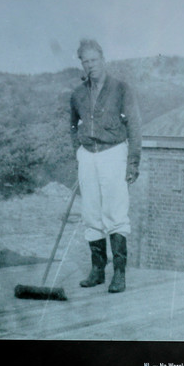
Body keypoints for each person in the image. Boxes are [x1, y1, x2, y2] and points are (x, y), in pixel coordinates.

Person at [70, 38, 141, 293]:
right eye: (85, 61)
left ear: (103, 60)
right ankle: (97, 271)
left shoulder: (121, 89)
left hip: (113, 153)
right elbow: (72, 126)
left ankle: (119, 274)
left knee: (115, 213)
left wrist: (132, 162)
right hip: (88, 156)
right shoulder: (78, 94)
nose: (90, 65)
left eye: (94, 60)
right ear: (82, 64)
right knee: (91, 213)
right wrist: (79, 153)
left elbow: (134, 126)